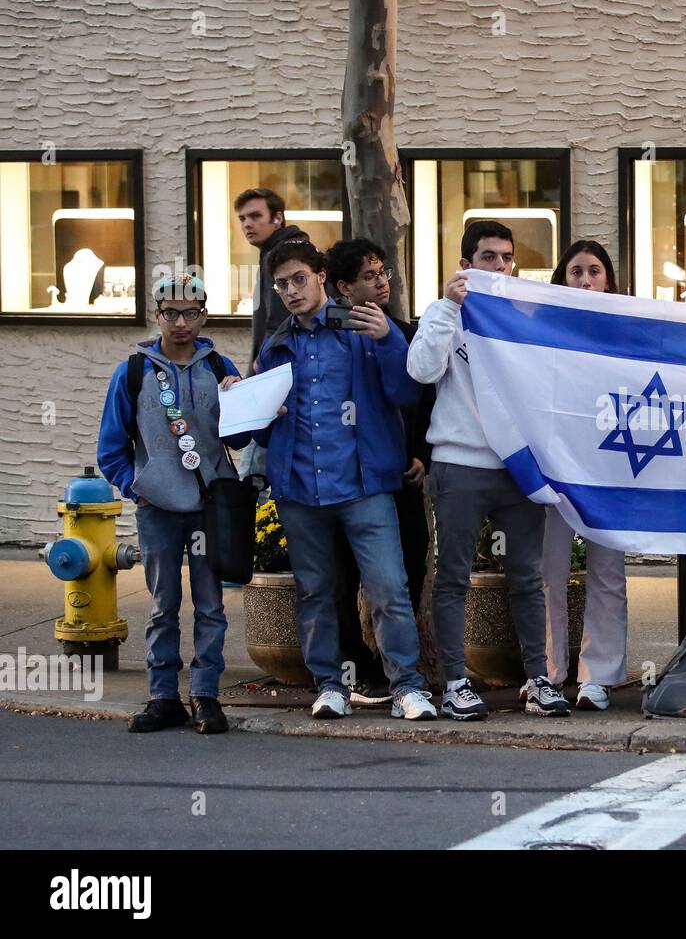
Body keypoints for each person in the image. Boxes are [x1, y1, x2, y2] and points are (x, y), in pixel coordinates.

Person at [252, 239, 438, 721]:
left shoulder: (362, 328)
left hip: (364, 485)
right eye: (281, 284)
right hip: (298, 488)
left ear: (320, 277)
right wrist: (244, 398)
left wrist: (390, 340)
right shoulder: (276, 345)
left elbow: (406, 393)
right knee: (316, 591)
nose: (290, 291)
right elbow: (258, 429)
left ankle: (407, 687)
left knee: (389, 588)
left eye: (298, 279)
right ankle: (330, 685)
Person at [406, 220, 569, 720]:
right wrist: (447, 306)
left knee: (527, 577)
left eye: (506, 257)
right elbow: (421, 370)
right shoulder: (445, 312)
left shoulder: (524, 313)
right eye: (488, 257)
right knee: (453, 577)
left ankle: (539, 680)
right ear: (465, 264)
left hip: (520, 466)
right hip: (459, 463)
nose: (499, 266)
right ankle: (456, 682)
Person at [97, 275, 250, 734]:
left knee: (210, 603)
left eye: (190, 313)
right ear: (156, 315)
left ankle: (205, 694)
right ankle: (163, 696)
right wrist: (135, 486)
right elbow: (111, 446)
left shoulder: (218, 366)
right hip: (158, 508)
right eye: (170, 313)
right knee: (163, 603)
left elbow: (238, 439)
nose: (180, 322)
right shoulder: (133, 371)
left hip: (210, 504)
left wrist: (242, 399)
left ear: (204, 314)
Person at [324, 238, 438, 702]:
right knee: (342, 574)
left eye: (383, 271)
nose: (382, 281)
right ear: (343, 288)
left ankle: (400, 665)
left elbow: (420, 396)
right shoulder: (330, 336)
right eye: (368, 276)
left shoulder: (403, 332)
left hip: (399, 473)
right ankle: (357, 666)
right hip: (347, 477)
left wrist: (421, 454)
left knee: (408, 562)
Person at [538, 240, 631, 711]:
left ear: (609, 280)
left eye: (595, 271)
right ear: (562, 280)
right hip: (555, 463)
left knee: (608, 571)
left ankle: (599, 676)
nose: (585, 280)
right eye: (575, 271)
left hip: (611, 466)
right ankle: (549, 672)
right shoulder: (541, 331)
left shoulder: (626, 329)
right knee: (549, 570)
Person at [234, 188, 306, 489]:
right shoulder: (273, 253)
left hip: (277, 374)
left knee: (255, 474)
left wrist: (263, 362)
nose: (247, 224)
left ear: (277, 218)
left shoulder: (288, 255)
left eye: (255, 216)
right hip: (272, 372)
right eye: (242, 219)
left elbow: (283, 318)